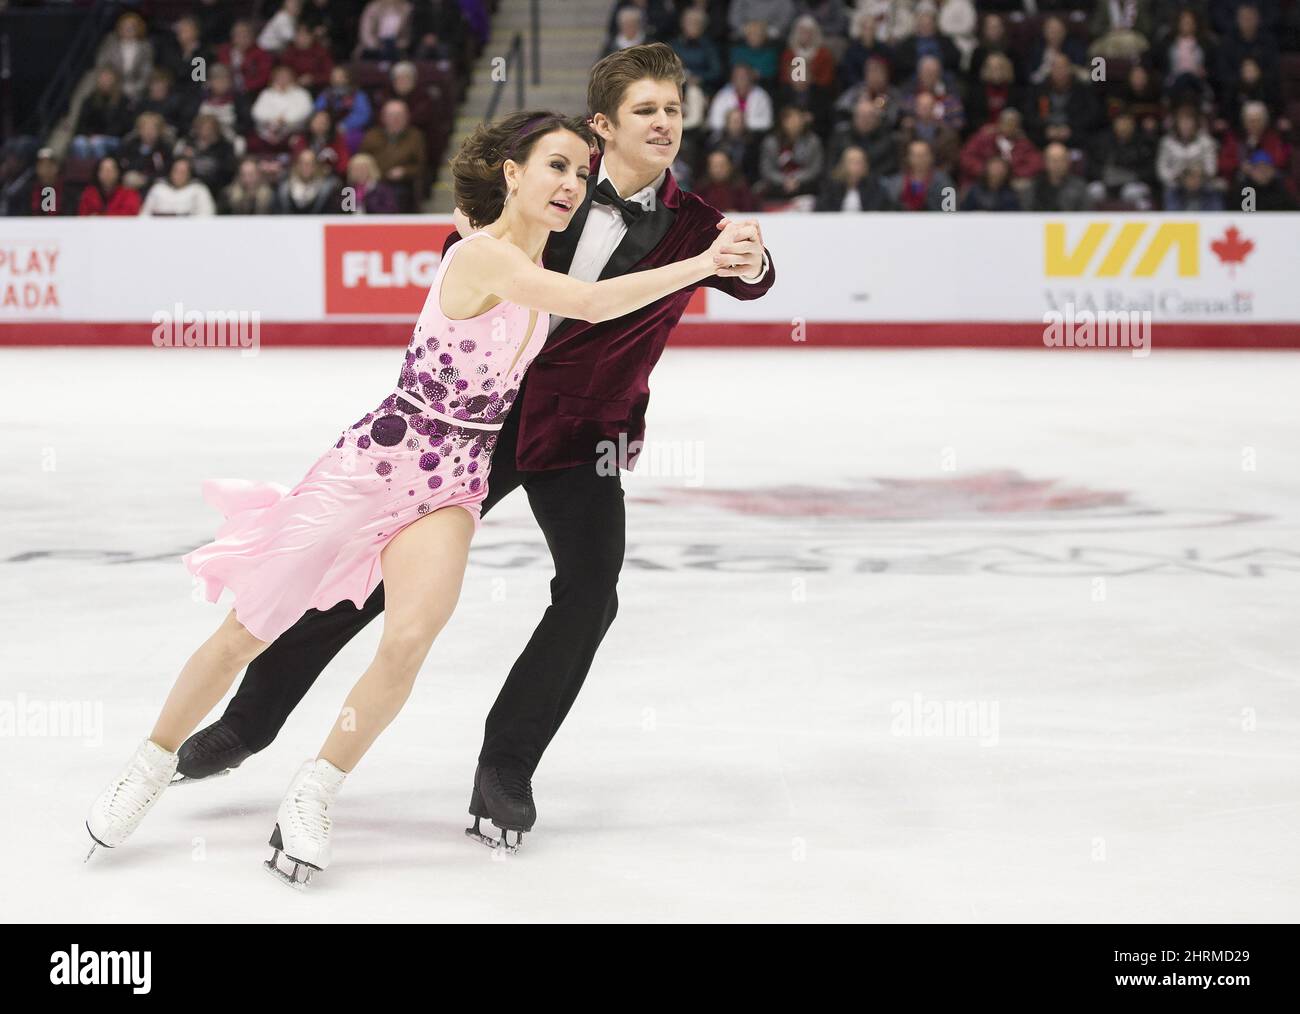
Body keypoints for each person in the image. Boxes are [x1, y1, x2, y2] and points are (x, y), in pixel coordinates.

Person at [84, 108, 756, 888]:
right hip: (378, 465)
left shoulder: (526, 252)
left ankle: (315, 787)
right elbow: (597, 303)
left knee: (407, 641)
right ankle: (150, 760)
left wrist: (731, 259)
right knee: (252, 626)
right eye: (555, 167)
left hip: (455, 482)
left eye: (580, 171)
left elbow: (586, 299)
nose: (572, 184)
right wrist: (704, 262)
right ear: (515, 173)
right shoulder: (483, 257)